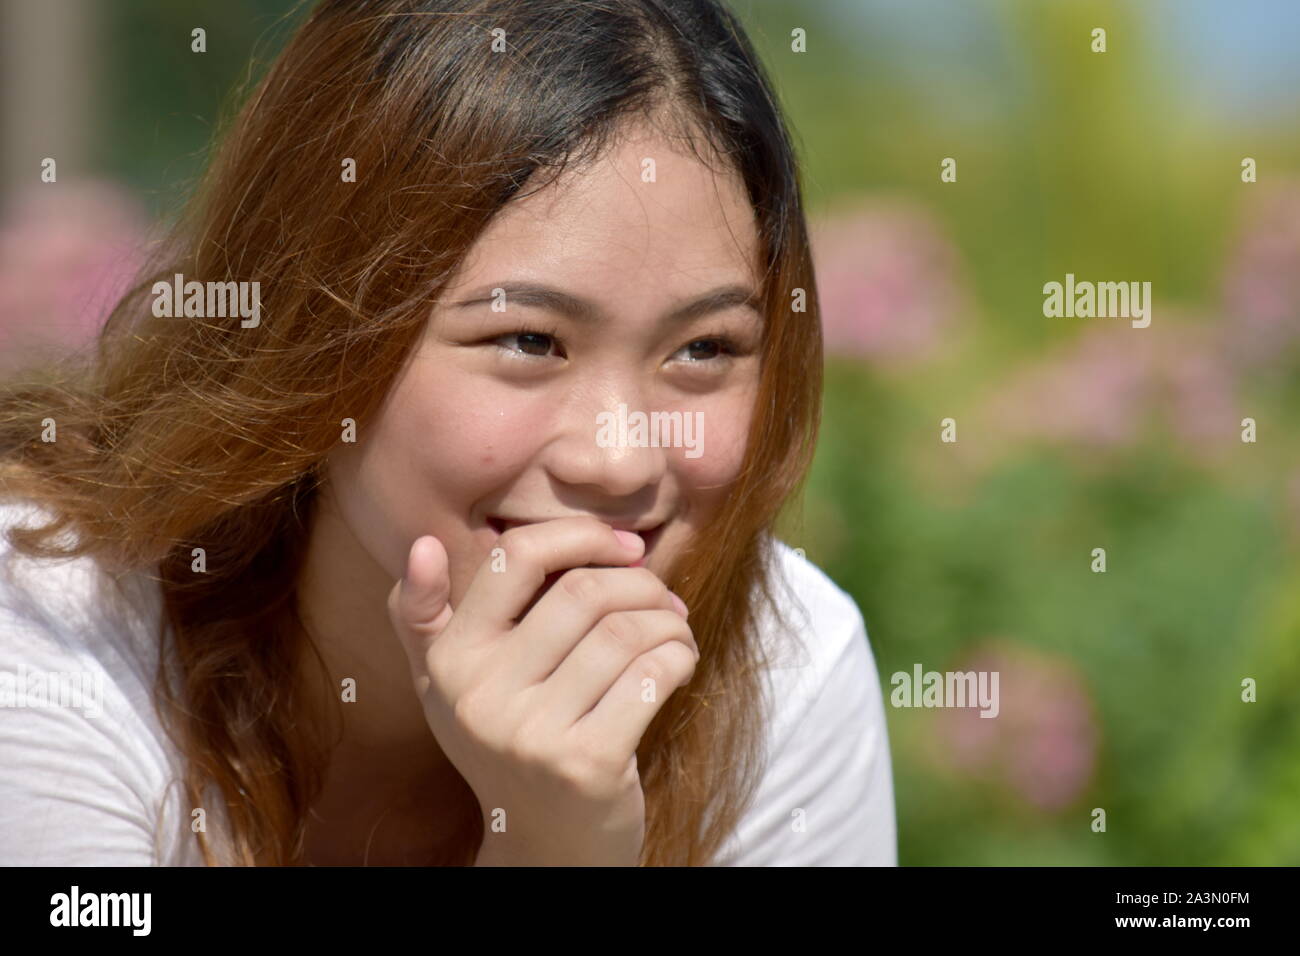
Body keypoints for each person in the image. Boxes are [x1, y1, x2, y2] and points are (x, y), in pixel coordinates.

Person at [0, 0, 895, 866]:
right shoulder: (48, 632)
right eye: (528, 341)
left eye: (705, 348)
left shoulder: (784, 675)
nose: (620, 460)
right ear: (313, 332)